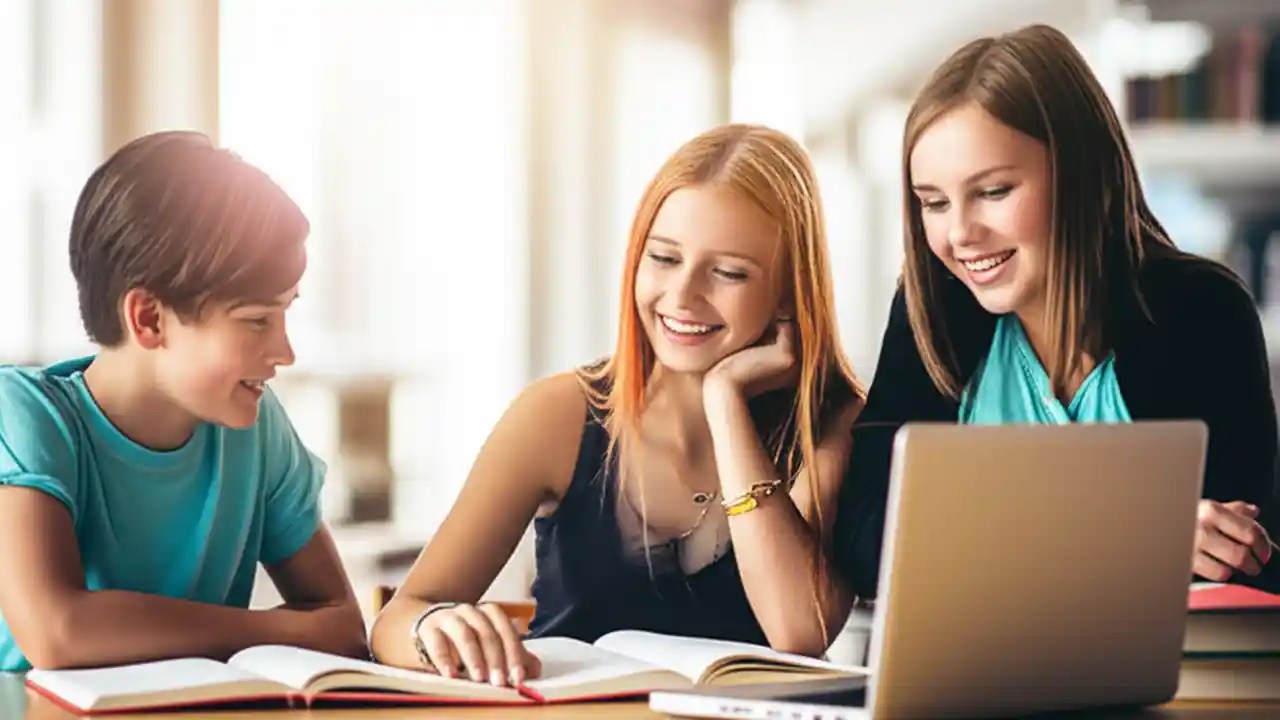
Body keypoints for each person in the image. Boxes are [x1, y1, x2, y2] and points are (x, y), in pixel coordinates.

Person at [371, 124, 864, 687]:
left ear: (787, 290)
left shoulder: (835, 425)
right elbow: (397, 619)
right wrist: (434, 627)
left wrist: (725, 403)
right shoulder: (558, 414)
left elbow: (798, 630)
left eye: (727, 272)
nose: (681, 296)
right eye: (664, 259)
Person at [835, 24, 1280, 601]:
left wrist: (984, 533)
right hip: (975, 670)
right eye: (934, 203)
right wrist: (1129, 532)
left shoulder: (1202, 313)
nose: (960, 235)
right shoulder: (934, 305)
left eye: (993, 192)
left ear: (1080, 174)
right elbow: (864, 542)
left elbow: (1242, 554)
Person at [0, 131, 368, 671]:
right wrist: (282, 629)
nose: (284, 351)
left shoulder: (258, 430)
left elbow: (341, 626)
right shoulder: (25, 416)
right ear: (148, 318)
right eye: (257, 321)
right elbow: (57, 633)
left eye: (287, 313)